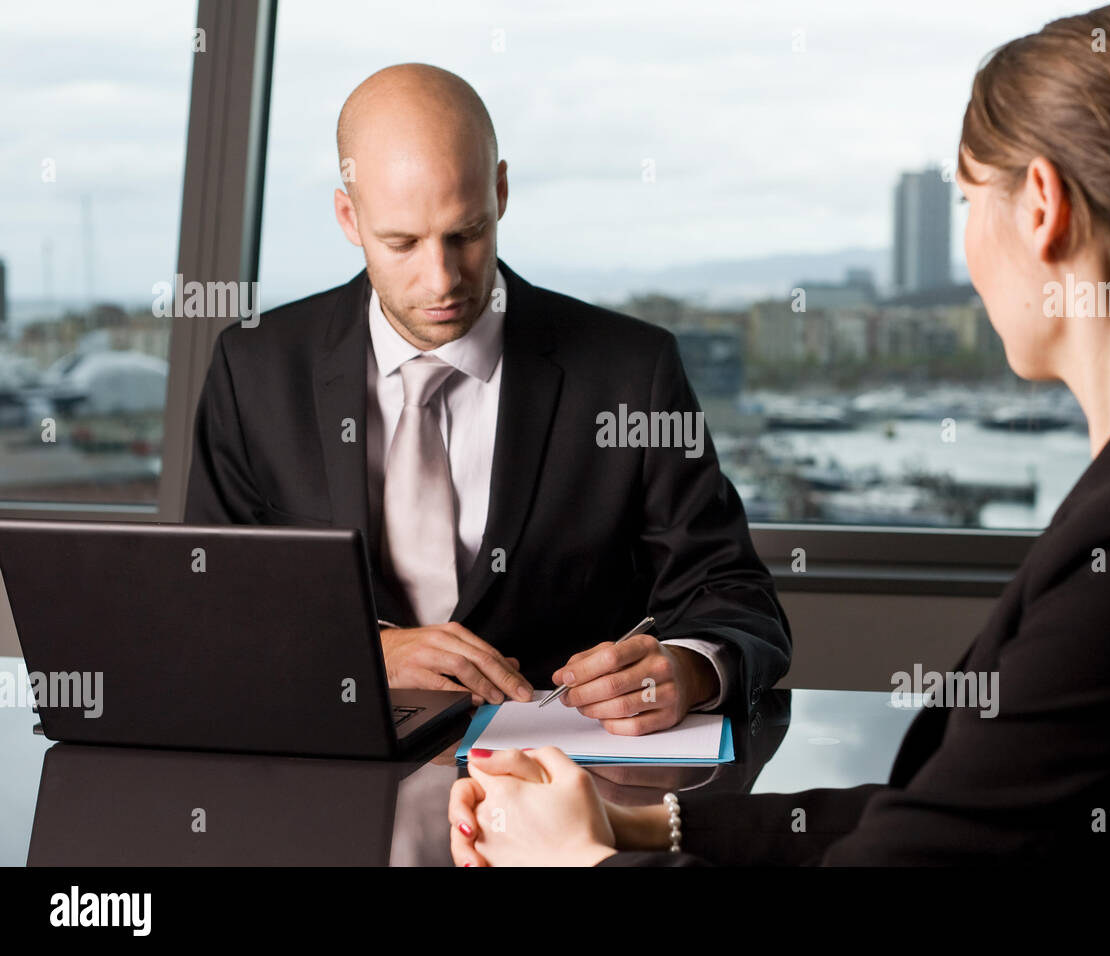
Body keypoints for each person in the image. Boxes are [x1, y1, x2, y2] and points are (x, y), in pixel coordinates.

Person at [448, 2, 1110, 865]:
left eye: (969, 198)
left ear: (1042, 206)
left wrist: (579, 863)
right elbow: (952, 810)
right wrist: (646, 824)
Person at [184, 64, 792, 732]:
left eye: (465, 233)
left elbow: (732, 592)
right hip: (324, 783)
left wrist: (690, 669)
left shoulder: (631, 372)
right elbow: (206, 600)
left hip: (561, 791)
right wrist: (362, 654)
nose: (441, 279)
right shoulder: (254, 369)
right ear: (349, 218)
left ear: (500, 192)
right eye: (403, 243)